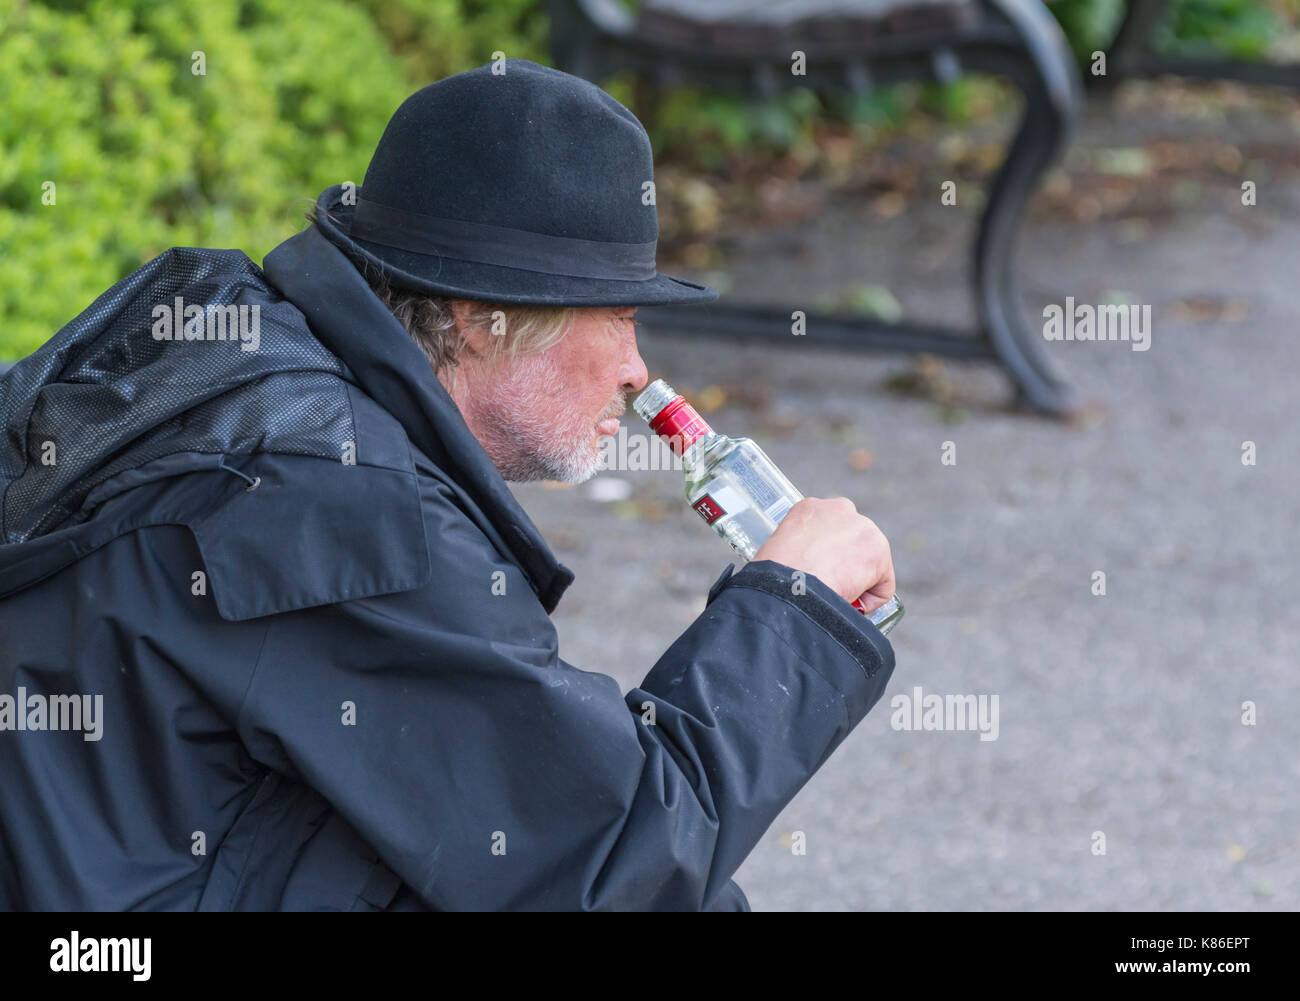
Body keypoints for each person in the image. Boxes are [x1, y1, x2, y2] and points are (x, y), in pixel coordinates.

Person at [0, 58, 897, 911]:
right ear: (479, 319)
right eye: (620, 318)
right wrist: (794, 609)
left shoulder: (236, 340)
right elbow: (614, 859)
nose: (637, 369)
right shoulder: (350, 505)